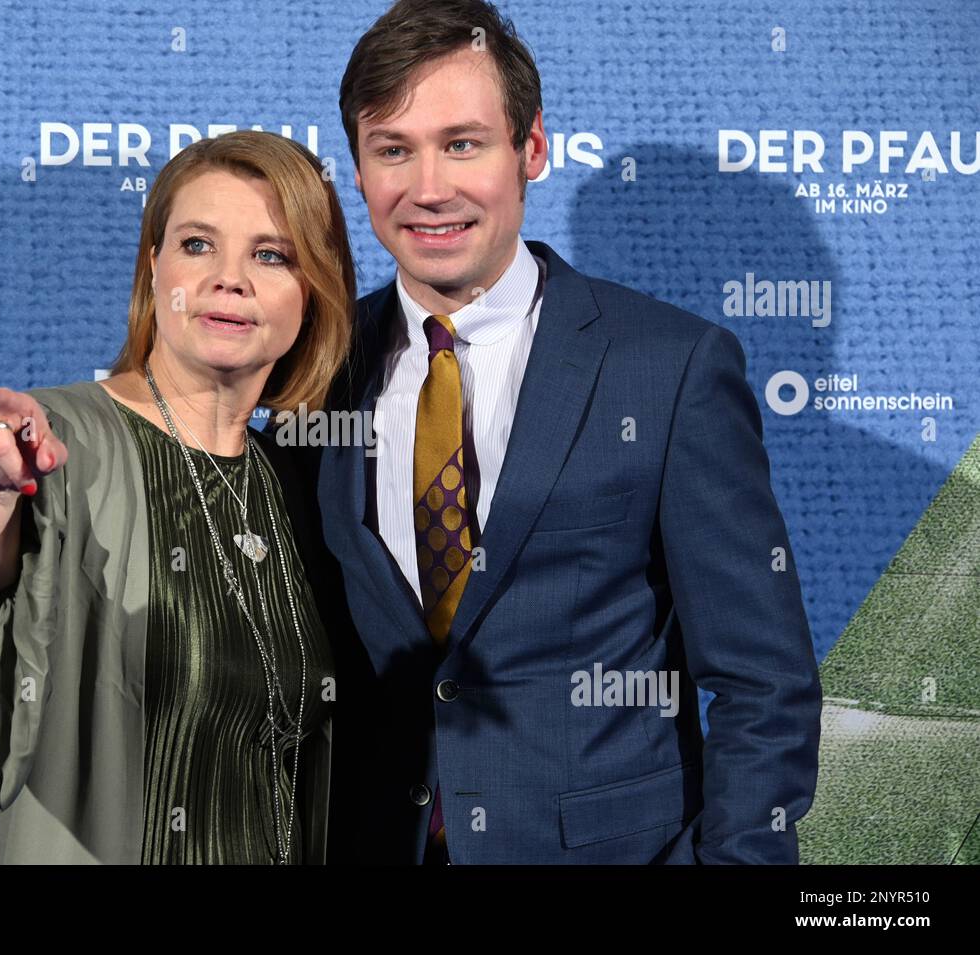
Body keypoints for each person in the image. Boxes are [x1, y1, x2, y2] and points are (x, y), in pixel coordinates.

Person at [309, 0, 823, 864]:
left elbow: (762, 684)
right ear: (357, 170)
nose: (429, 187)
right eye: (393, 149)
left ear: (532, 150)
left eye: (462, 143)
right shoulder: (315, 366)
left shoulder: (670, 366)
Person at [0, 130, 355, 864]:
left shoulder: (295, 485)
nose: (230, 279)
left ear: (313, 289)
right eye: (197, 245)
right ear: (154, 269)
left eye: (270, 254)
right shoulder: (61, 440)